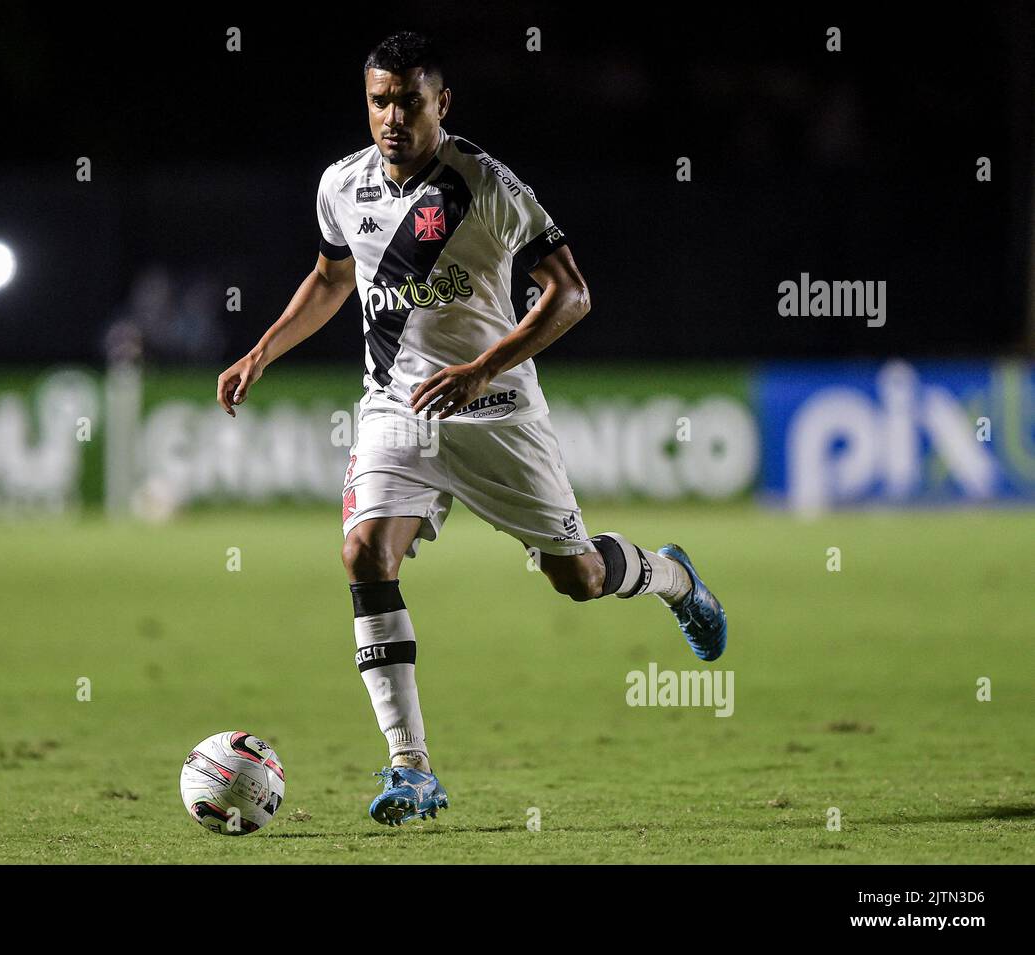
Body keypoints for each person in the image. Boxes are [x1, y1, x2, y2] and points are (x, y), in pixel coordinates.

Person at [216, 31, 726, 827]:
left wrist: (485, 366)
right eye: (380, 100)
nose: (393, 116)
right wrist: (261, 350)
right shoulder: (341, 185)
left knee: (579, 577)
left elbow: (571, 294)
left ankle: (674, 578)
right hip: (399, 409)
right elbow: (330, 278)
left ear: (441, 102)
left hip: (494, 414)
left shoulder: (487, 186)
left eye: (409, 101)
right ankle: (410, 767)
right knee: (362, 551)